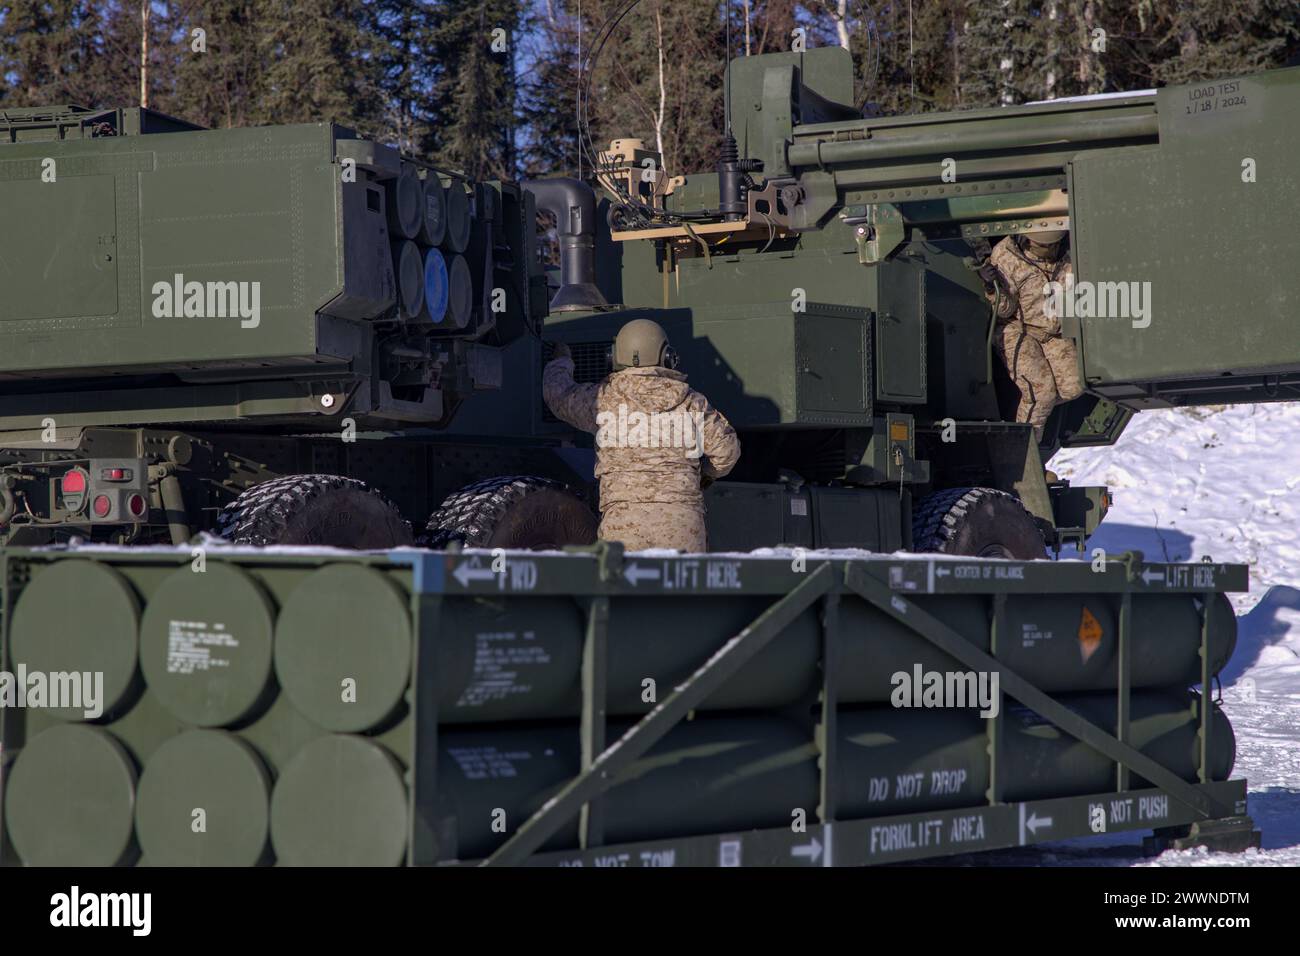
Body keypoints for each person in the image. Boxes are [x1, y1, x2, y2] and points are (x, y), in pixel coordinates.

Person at [543, 318, 740, 552]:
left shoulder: (603, 401)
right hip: (682, 527)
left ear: (614, 357)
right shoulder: (691, 403)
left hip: (623, 527)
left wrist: (561, 361)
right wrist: (706, 475)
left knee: (623, 587)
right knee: (681, 588)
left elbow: (558, 396)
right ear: (667, 356)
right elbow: (727, 451)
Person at [980, 229, 1085, 442]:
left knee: (1075, 386)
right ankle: (1024, 449)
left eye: (1055, 244)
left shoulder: (1067, 253)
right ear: (1027, 240)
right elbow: (1004, 310)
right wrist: (992, 287)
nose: (1052, 249)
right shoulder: (1006, 256)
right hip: (1016, 328)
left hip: (1051, 331)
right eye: (1046, 246)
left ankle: (1020, 414)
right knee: (1042, 393)